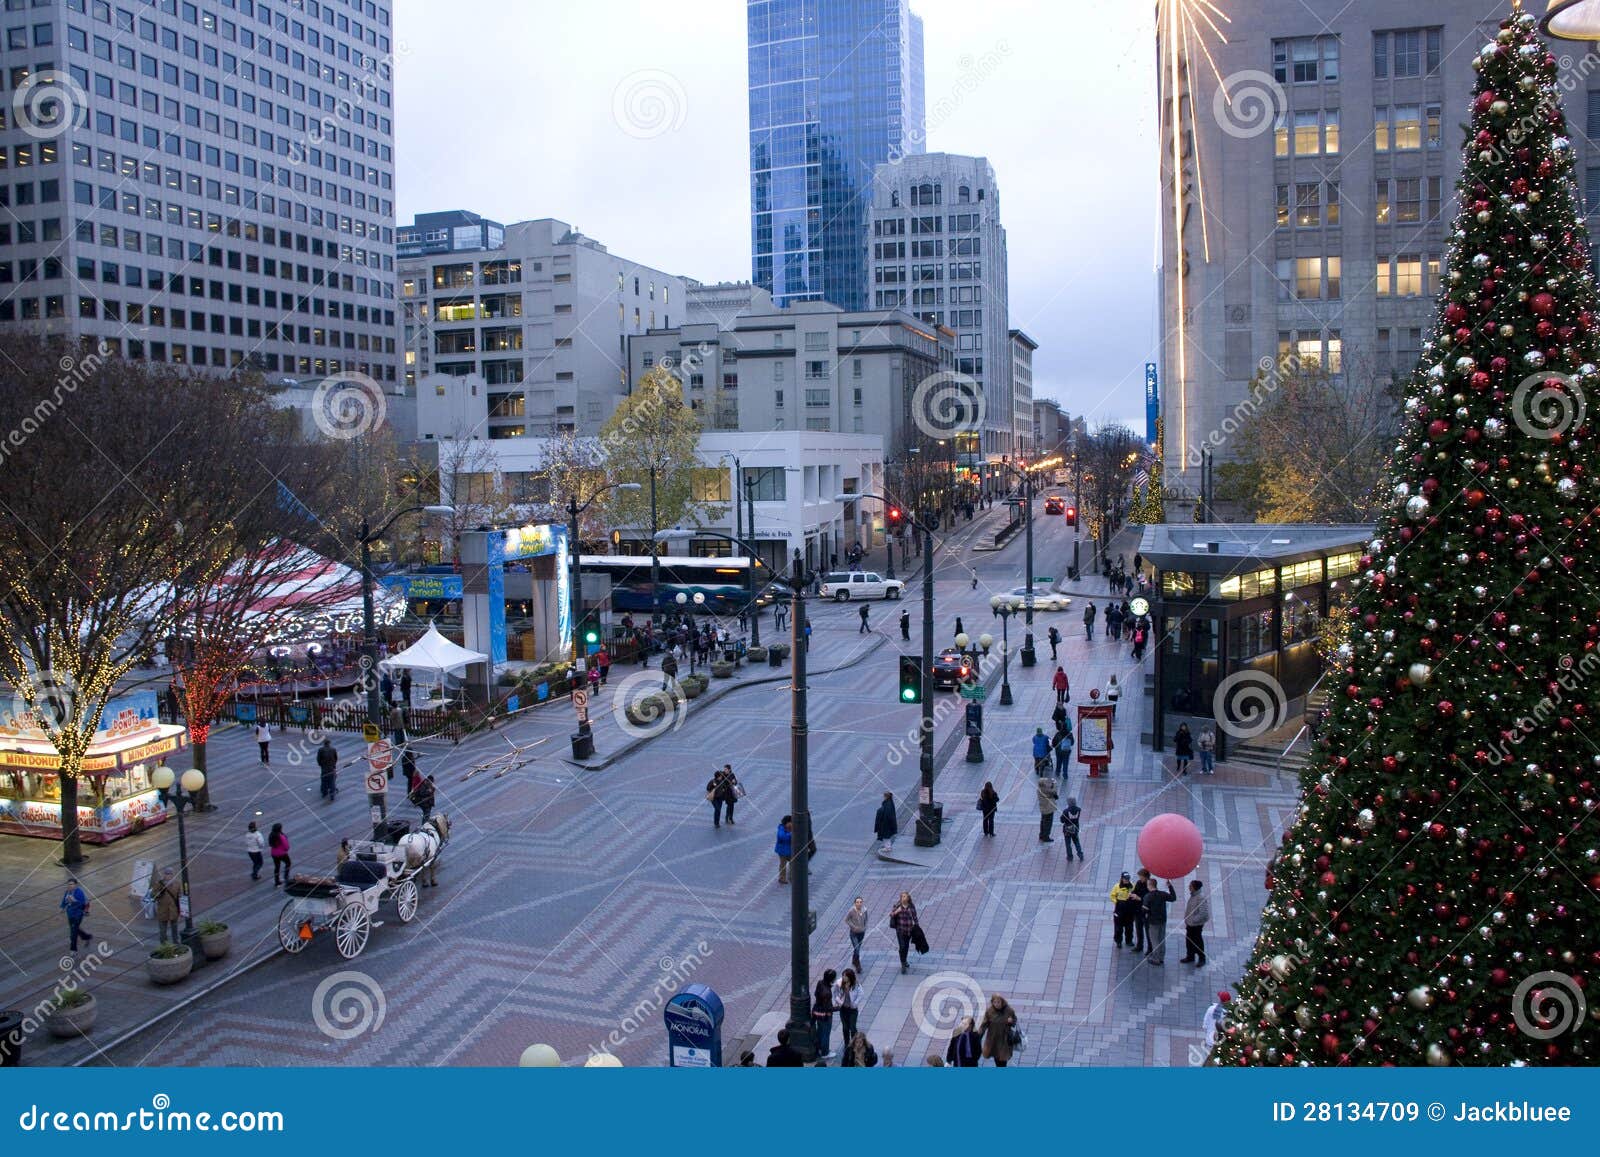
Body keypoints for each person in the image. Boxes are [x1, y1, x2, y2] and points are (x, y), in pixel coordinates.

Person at [1143, 878, 1178, 965]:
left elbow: (1144, 910)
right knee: (1161, 939)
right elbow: (1173, 898)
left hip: (1153, 921)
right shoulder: (1162, 894)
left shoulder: (1148, 896)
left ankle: (1156, 958)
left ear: (1150, 885)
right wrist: (1170, 886)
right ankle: (1161, 957)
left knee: (1154, 940)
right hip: (1163, 920)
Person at [979, 994, 1019, 1067]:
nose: (996, 1004)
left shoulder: (1009, 1010)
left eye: (998, 1002)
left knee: (1003, 1060)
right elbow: (984, 1024)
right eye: (995, 1002)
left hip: (1004, 1039)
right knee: (996, 1057)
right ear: (992, 1002)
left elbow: (1014, 1020)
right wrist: (979, 1035)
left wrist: (1011, 1021)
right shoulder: (989, 1011)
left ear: (1002, 1002)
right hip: (993, 1039)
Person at [60, 877, 93, 955]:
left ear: (76, 885)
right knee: (75, 929)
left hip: (78, 914)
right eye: (68, 884)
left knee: (73, 932)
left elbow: (81, 904)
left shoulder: (79, 892)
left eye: (71, 884)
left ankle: (73, 949)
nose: (70, 886)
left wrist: (74, 901)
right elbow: (64, 900)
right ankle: (86, 937)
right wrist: (62, 907)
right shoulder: (67, 892)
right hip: (70, 914)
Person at [1181, 880, 1210, 966]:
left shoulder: (1200, 898)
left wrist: (1193, 920)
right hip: (1190, 924)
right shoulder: (1194, 896)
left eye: (1190, 886)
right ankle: (1190, 956)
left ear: (1194, 888)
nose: (1189, 887)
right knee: (1189, 940)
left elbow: (1204, 913)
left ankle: (1202, 958)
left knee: (1197, 941)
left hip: (1196, 925)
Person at [889, 891, 918, 974]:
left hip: (909, 930)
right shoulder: (898, 905)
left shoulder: (911, 906)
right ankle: (903, 964)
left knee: (906, 947)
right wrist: (896, 911)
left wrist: (916, 926)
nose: (903, 898)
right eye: (902, 897)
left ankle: (904, 960)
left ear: (908, 898)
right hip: (900, 930)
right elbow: (891, 915)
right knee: (902, 947)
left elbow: (915, 917)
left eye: (904, 896)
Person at [812, 969, 838, 1060]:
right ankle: (825, 1052)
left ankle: (819, 1048)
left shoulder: (820, 983)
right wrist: (839, 1007)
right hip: (825, 1015)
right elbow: (828, 1008)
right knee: (826, 1034)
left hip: (817, 1012)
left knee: (820, 1031)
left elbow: (816, 994)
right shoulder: (827, 993)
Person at [154, 867, 181, 945]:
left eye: (170, 874)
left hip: (173, 910)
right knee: (163, 931)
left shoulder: (177, 883)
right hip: (162, 911)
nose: (168, 876)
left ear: (173, 875)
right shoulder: (159, 884)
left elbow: (180, 895)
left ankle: (176, 943)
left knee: (175, 929)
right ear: (164, 875)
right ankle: (164, 945)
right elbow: (153, 894)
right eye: (166, 874)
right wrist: (158, 894)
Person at [1111, 872, 1138, 948]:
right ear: (1122, 878)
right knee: (1118, 926)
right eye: (1125, 879)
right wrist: (1116, 902)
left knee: (1129, 926)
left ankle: (1129, 940)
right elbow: (1112, 895)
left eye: (1128, 879)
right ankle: (1118, 941)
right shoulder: (1117, 886)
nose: (1127, 880)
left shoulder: (1132, 886)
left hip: (1129, 908)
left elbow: (1135, 894)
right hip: (1119, 908)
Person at [707, 764, 739, 828]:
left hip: (731, 792)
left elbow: (735, 782)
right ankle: (722, 820)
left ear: (729, 769)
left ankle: (729, 818)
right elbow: (717, 776)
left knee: (731, 805)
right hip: (724, 793)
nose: (724, 770)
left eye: (726, 769)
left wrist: (734, 782)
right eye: (724, 769)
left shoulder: (732, 774)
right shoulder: (722, 774)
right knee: (721, 807)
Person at [845, 897, 868, 970]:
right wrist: (853, 927)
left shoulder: (864, 910)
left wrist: (865, 927)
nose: (859, 904)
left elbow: (866, 919)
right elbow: (846, 920)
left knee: (857, 948)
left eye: (861, 902)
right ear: (855, 903)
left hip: (862, 932)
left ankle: (854, 959)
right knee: (857, 948)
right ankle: (858, 964)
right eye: (857, 902)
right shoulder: (852, 911)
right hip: (854, 933)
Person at [1132, 868, 1152, 953]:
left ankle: (1150, 948)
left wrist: (1139, 898)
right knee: (1138, 929)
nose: (1140, 878)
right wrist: (1132, 894)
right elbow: (1135, 891)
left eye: (1141, 876)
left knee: (1148, 931)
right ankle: (1139, 946)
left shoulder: (1149, 885)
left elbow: (1149, 898)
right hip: (1137, 910)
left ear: (1145, 877)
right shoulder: (1139, 883)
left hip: (1145, 911)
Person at [1035, 773, 1059, 841]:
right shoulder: (1046, 790)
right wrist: (1054, 784)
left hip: (1043, 808)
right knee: (1048, 823)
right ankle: (1046, 836)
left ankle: (1042, 835)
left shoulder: (1040, 789)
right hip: (1048, 808)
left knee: (1043, 821)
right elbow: (1054, 791)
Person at [774, 815, 794, 885]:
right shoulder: (781, 828)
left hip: (790, 850)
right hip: (782, 851)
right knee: (783, 864)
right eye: (790, 822)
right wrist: (790, 833)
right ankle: (782, 878)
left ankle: (792, 876)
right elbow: (782, 837)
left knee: (793, 862)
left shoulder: (792, 828)